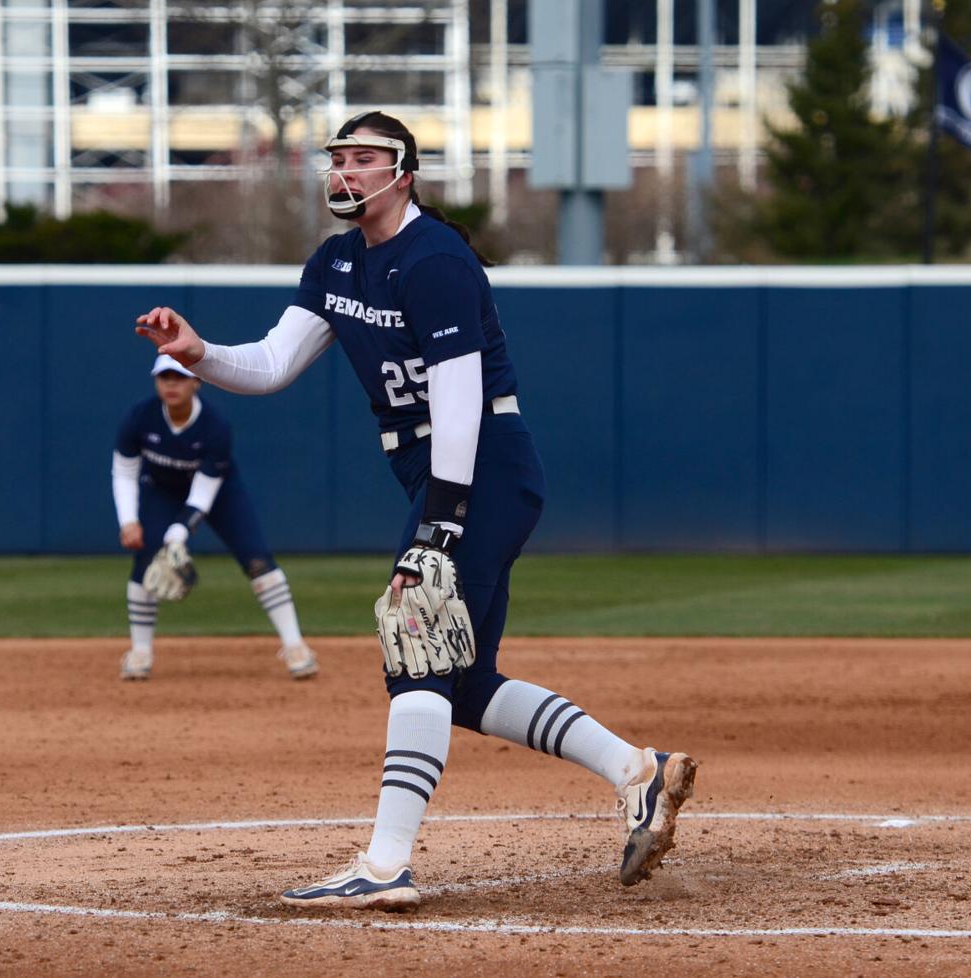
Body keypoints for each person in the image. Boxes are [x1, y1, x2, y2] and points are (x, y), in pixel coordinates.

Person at [135, 110, 697, 909]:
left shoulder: (434, 258)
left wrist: (440, 521)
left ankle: (384, 864)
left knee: (416, 649)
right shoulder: (336, 262)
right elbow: (269, 364)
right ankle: (637, 771)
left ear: (404, 173)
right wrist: (200, 354)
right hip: (446, 471)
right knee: (463, 686)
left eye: (364, 158)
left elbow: (461, 401)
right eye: (339, 158)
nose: (345, 171)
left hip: (480, 464)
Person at [111, 353, 319, 682]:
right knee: (146, 559)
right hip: (160, 490)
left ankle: (295, 647)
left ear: (197, 381)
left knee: (257, 560)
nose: (172, 384)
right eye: (165, 377)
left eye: (180, 377)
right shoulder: (140, 417)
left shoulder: (215, 427)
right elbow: (124, 471)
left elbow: (202, 495)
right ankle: (140, 652)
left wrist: (178, 533)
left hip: (220, 492)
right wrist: (128, 521)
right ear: (156, 381)